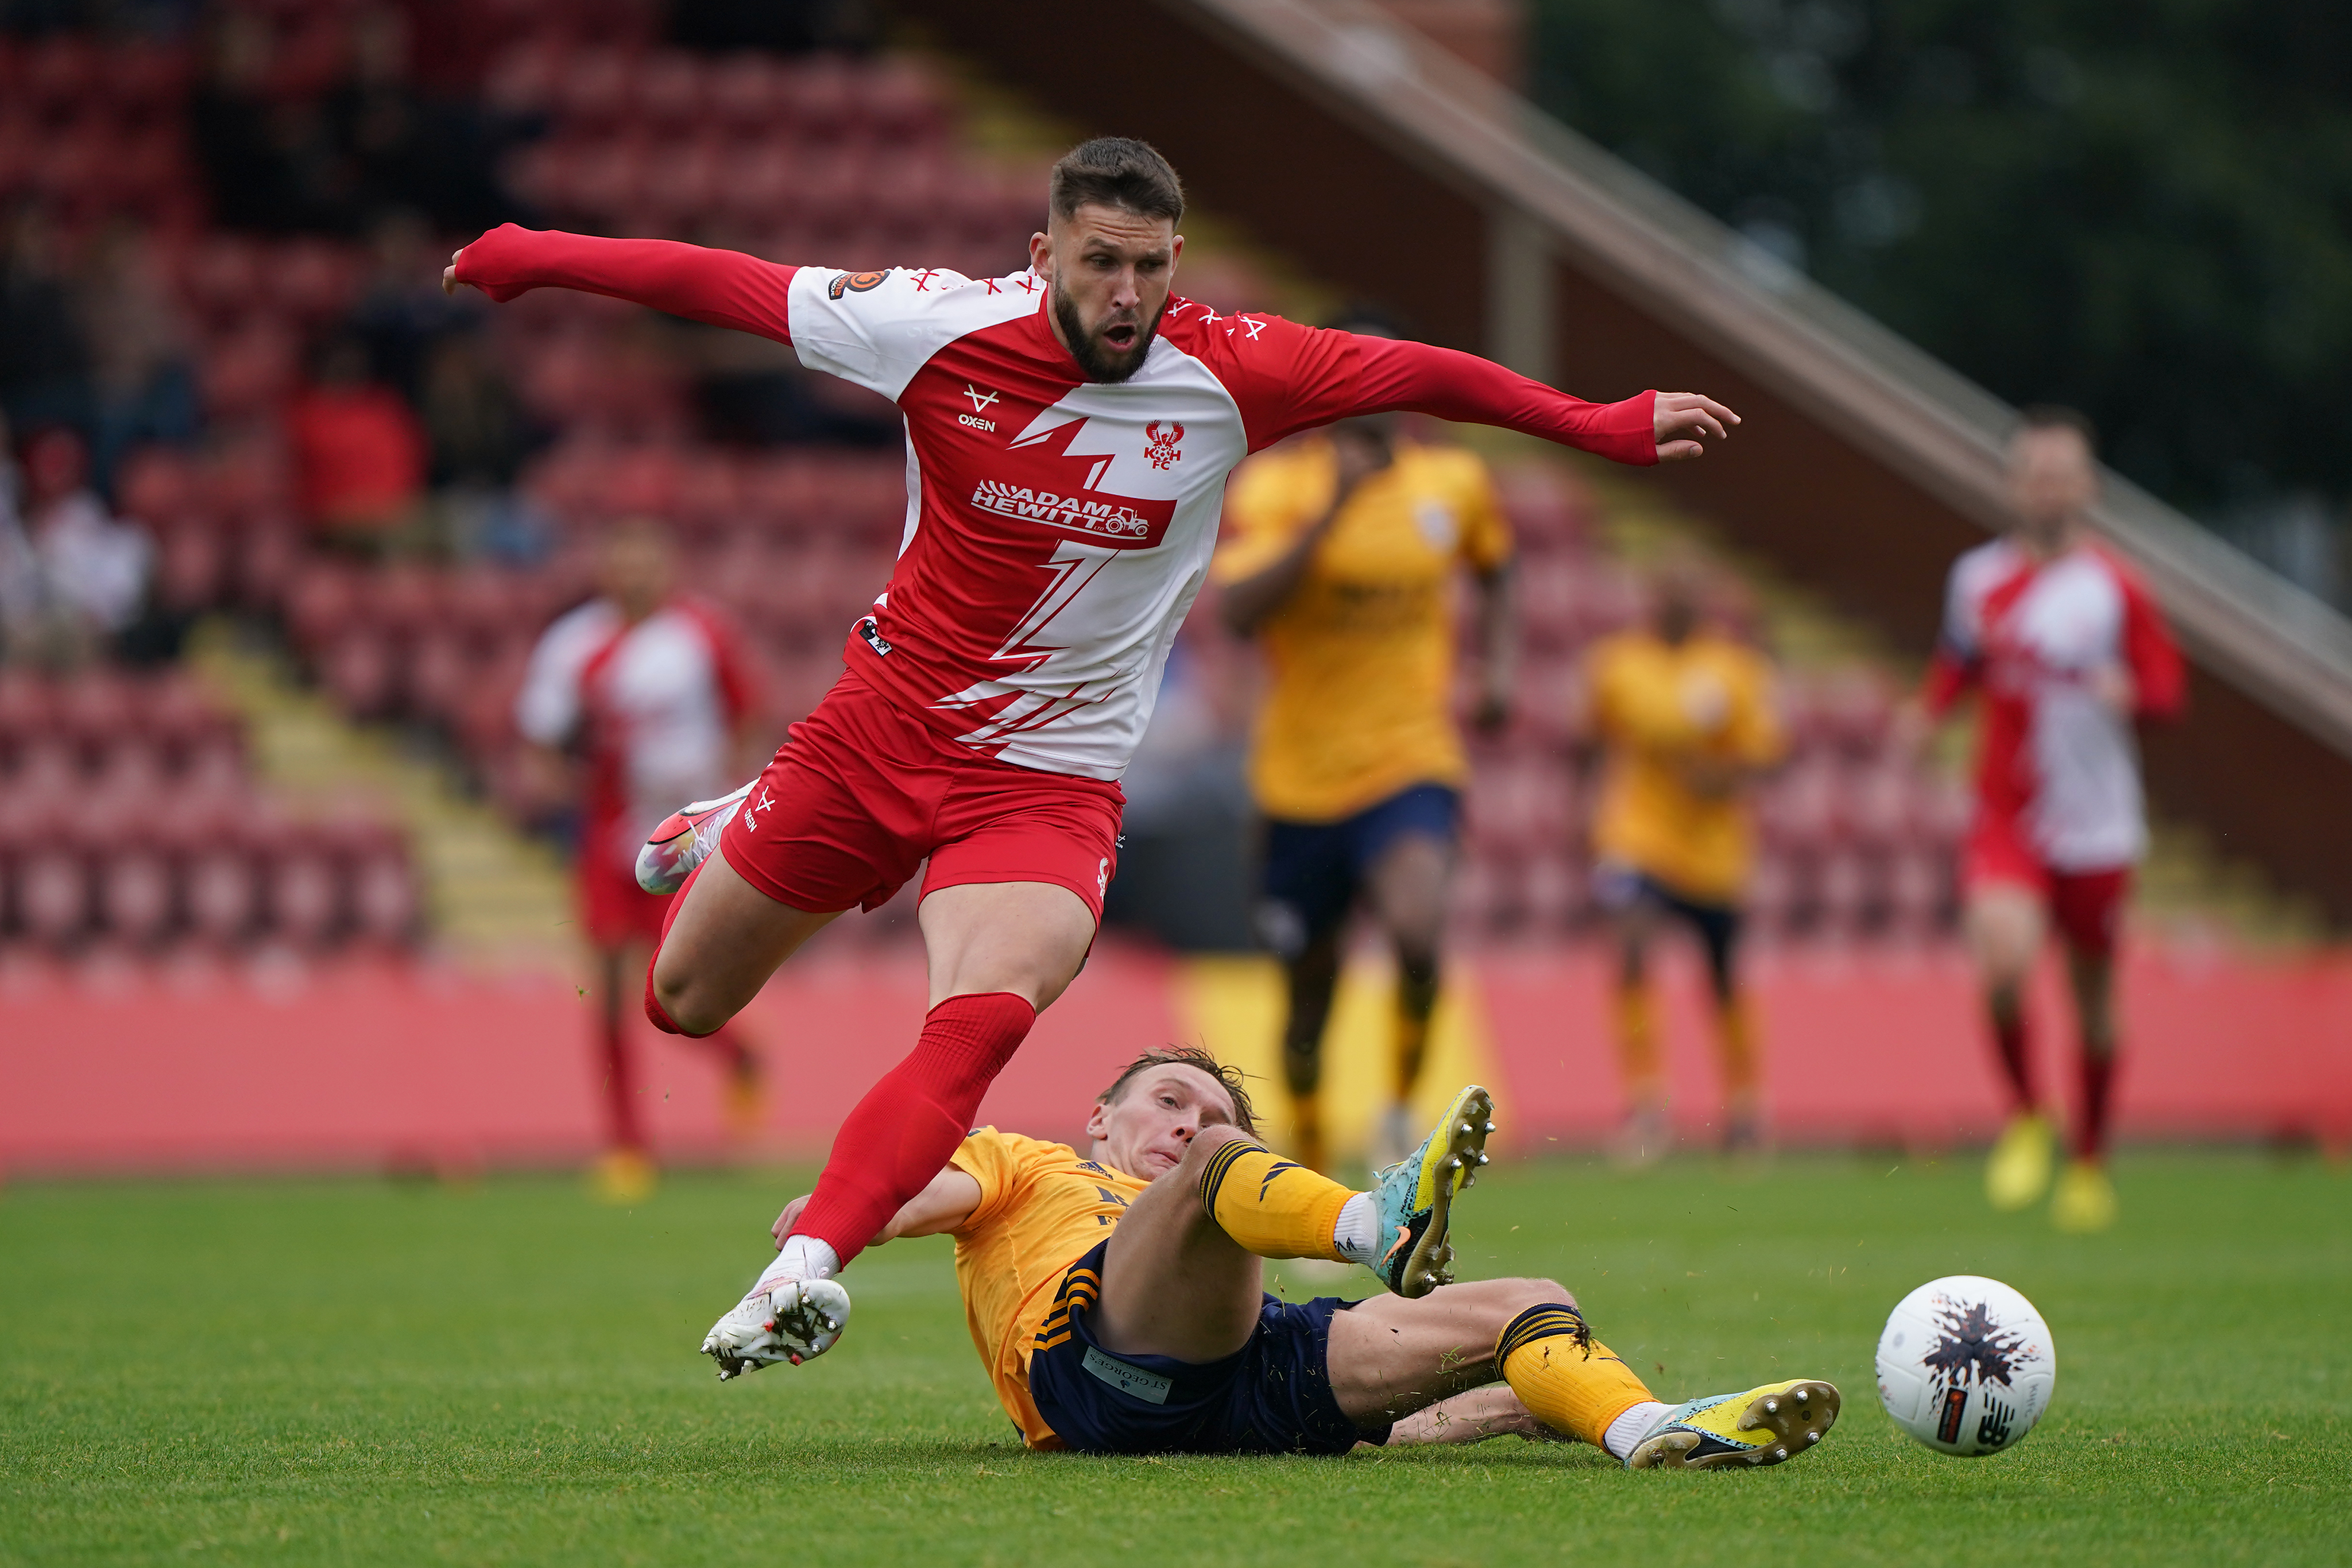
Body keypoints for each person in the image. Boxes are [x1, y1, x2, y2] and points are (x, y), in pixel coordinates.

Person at [440, 135, 1740, 1362]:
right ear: (1044, 254)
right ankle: (747, 812)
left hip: (1047, 786)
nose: (1126, 294)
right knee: (684, 1002)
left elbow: (1423, 374)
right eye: (1100, 262)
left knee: (976, 1023)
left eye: (1151, 267)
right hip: (874, 736)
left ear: (1180, 265)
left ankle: (802, 1272)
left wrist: (1603, 424)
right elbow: (719, 283)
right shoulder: (937, 324)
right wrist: (532, 251)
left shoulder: (1232, 370)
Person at [711, 1048, 1839, 1467]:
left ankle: (1652, 1429)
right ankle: (1378, 1225)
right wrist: (829, 1227)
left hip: (1232, 1363)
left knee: (1533, 1306)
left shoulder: (1210, 1202)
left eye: (1201, 1107)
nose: (1180, 1118)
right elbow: (911, 1195)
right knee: (1213, 1174)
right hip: (1088, 1364)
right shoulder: (1024, 1163)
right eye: (1162, 1100)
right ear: (1098, 1119)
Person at [1214, 392, 1514, 1173]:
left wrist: (1498, 666)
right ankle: (1309, 1158)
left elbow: (1496, 566)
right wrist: (1336, 507)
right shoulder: (1278, 488)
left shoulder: (1452, 483)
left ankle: (1399, 1116)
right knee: (1309, 996)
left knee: (1419, 928)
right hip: (1298, 784)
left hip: (1411, 759)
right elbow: (1240, 611)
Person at [1912, 407, 2183, 1233]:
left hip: (2097, 821)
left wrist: (2130, 693)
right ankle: (2030, 1112)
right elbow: (1960, 662)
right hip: (2010, 811)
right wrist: (1926, 716)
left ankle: (2092, 1158)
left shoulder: (2114, 587)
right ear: (2013, 481)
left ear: (2088, 485)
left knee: (2094, 999)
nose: (2048, 485)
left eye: (2063, 471)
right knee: (2002, 966)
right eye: (2035, 470)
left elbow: (2168, 688)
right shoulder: (1978, 578)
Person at [513, 517, 767, 1201]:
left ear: (667, 565)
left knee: (679, 985)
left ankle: (739, 1054)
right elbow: (540, 737)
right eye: (623, 560)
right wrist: (571, 789)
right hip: (610, 839)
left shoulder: (703, 635)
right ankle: (626, 1145)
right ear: (606, 569)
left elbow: (748, 712)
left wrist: (729, 796)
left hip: (693, 838)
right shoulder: (576, 644)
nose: (635, 574)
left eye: (647, 560)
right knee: (609, 992)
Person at [1584, 553, 1784, 1162]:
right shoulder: (1618, 663)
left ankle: (1744, 1107)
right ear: (1652, 595)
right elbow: (1589, 738)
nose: (1679, 599)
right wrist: (1583, 808)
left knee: (1722, 976)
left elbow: (1768, 752)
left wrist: (1721, 779)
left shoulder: (1733, 668)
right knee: (1633, 947)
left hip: (1714, 850)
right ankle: (1645, 1106)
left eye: (1691, 587)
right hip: (1637, 836)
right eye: (1668, 586)